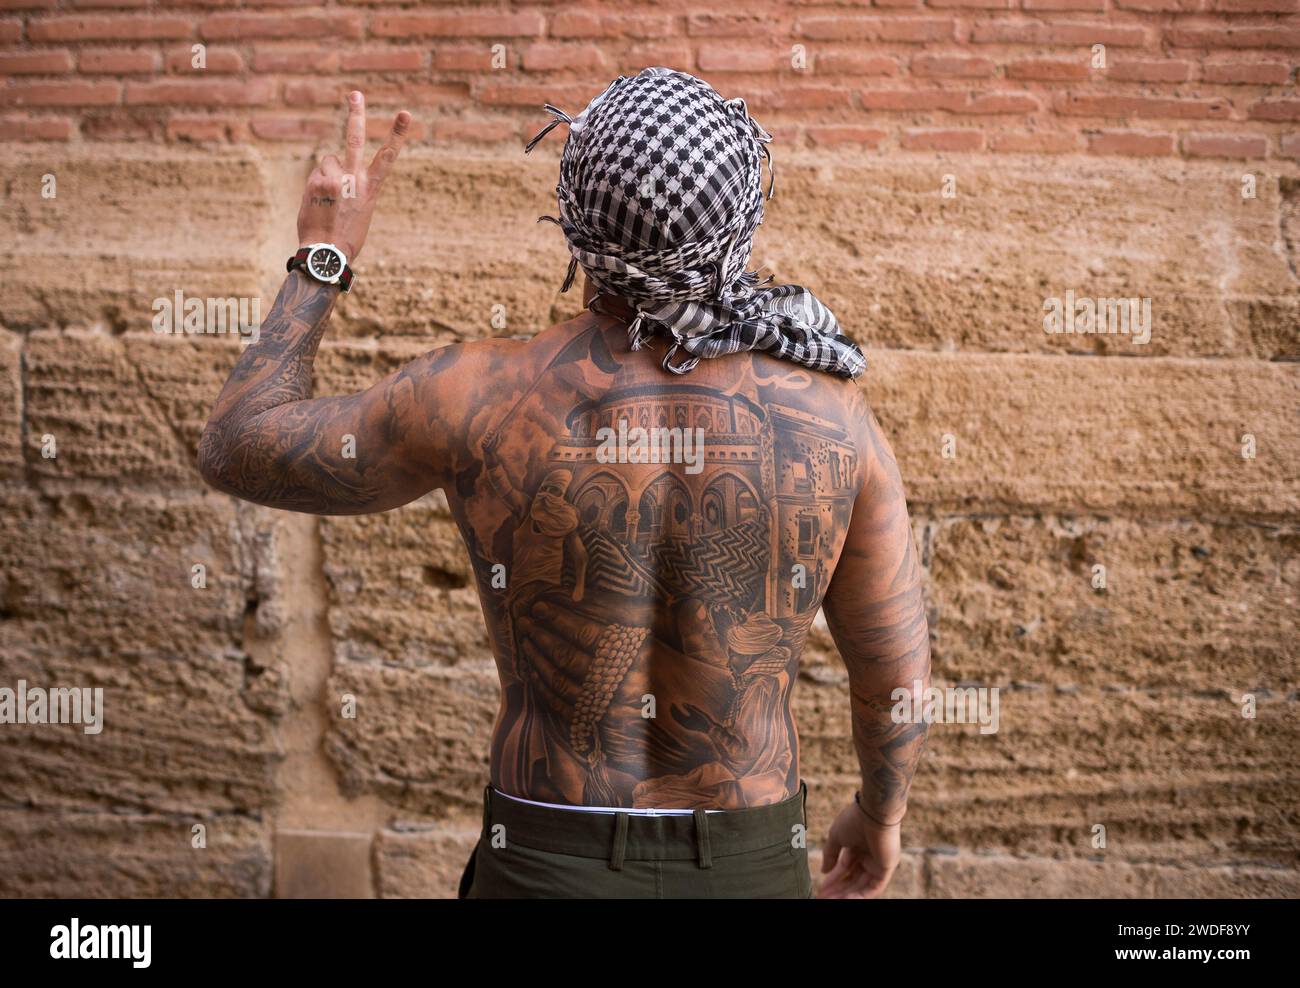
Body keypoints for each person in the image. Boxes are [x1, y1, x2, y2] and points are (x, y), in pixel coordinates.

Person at [198, 70, 931, 900]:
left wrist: (322, 258)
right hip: (745, 860)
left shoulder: (476, 395)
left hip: (549, 857)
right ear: (739, 224)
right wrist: (879, 812)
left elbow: (234, 443)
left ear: (575, 219)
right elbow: (894, 680)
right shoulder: (835, 420)